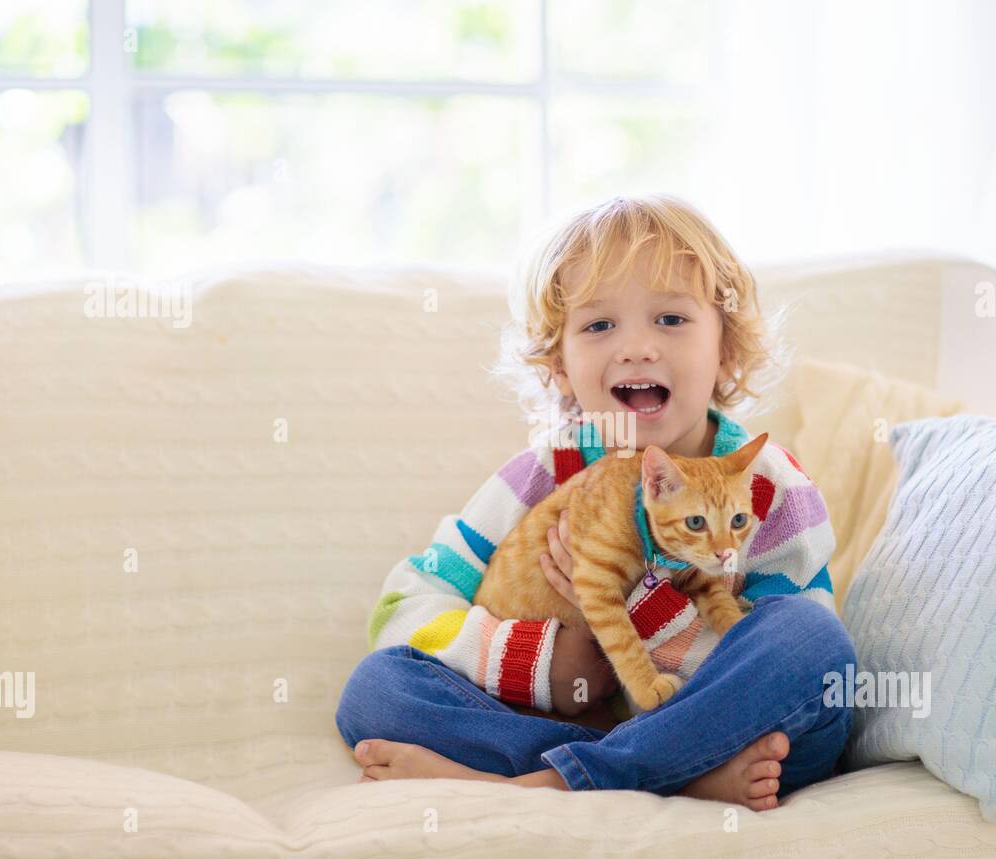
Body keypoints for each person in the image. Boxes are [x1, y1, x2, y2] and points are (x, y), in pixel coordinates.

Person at [335, 194, 856, 811]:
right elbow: (403, 605)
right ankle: (653, 774)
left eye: (670, 319)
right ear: (560, 366)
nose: (636, 347)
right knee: (378, 690)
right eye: (600, 325)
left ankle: (559, 780)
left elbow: (773, 662)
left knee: (813, 643)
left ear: (728, 349)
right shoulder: (543, 472)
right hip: (581, 724)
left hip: (718, 726)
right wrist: (551, 664)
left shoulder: (769, 484)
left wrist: (636, 610)